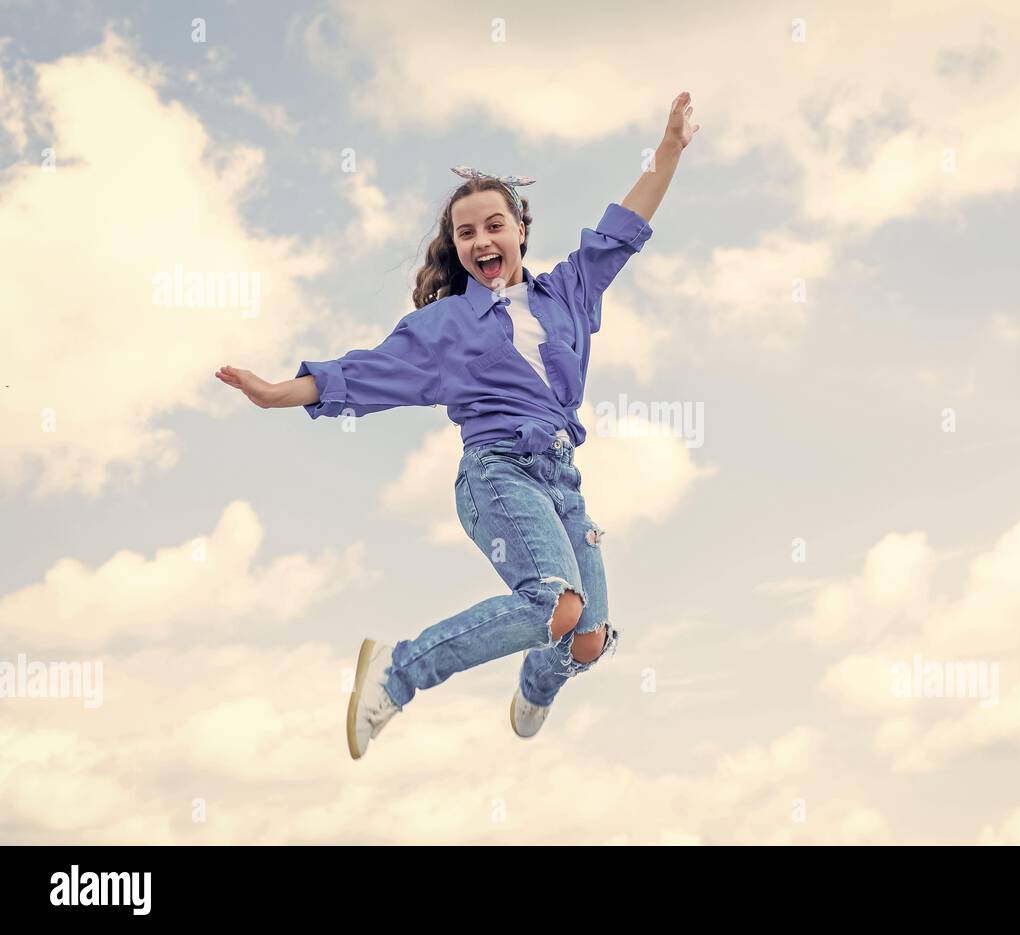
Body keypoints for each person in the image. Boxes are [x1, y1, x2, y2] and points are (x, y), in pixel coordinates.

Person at [215, 92, 699, 759]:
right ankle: (399, 670)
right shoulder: (444, 328)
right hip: (498, 475)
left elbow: (622, 226)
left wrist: (669, 149)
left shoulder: (568, 291)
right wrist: (276, 393)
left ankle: (538, 679)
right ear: (458, 249)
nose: (481, 241)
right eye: (466, 234)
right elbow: (363, 372)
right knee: (551, 604)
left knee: (586, 638)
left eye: (493, 225)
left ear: (520, 230)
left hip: (563, 480)